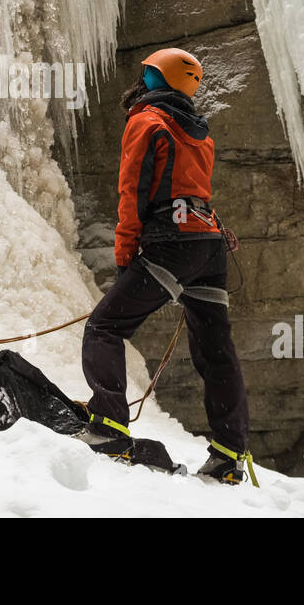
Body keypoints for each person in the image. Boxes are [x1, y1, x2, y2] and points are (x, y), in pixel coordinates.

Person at [79, 48, 253, 484]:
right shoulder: (201, 133)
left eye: (150, 74)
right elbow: (193, 192)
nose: (144, 79)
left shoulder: (146, 122)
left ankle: (109, 427)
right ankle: (230, 455)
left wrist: (124, 254)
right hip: (208, 245)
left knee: (104, 327)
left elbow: (132, 191)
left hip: (171, 244)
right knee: (215, 350)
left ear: (160, 81)